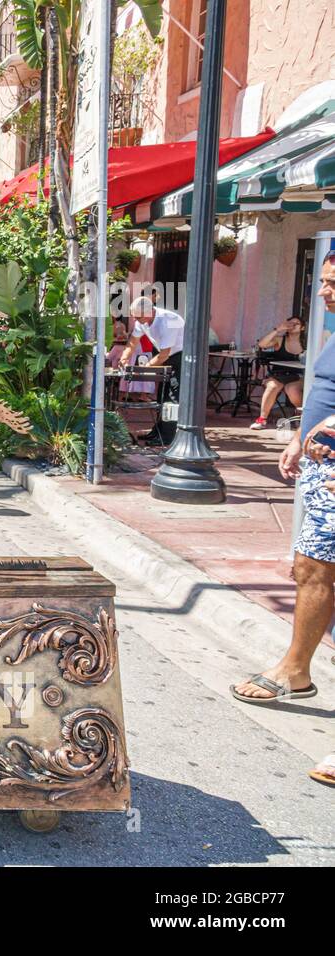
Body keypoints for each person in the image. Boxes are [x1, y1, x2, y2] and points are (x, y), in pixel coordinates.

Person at [232, 252, 335, 790]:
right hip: (324, 469)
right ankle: (296, 670)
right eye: (322, 282)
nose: (324, 293)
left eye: (333, 283)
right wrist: (301, 435)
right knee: (310, 570)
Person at [127, 297, 184, 444]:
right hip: (166, 356)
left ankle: (167, 437)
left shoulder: (168, 320)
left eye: (138, 317)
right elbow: (133, 341)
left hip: (180, 357)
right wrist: (124, 358)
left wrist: (144, 368)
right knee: (161, 396)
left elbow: (164, 354)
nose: (136, 320)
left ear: (149, 311)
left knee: (171, 398)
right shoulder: (142, 321)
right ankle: (157, 431)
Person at [251, 316, 306, 430]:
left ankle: (302, 415)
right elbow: (262, 344)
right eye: (290, 323)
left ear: (302, 328)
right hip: (278, 373)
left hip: (297, 375)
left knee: (292, 389)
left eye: (296, 324)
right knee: (272, 386)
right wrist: (278, 329)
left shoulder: (307, 343)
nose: (292, 325)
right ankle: (262, 419)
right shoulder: (280, 340)